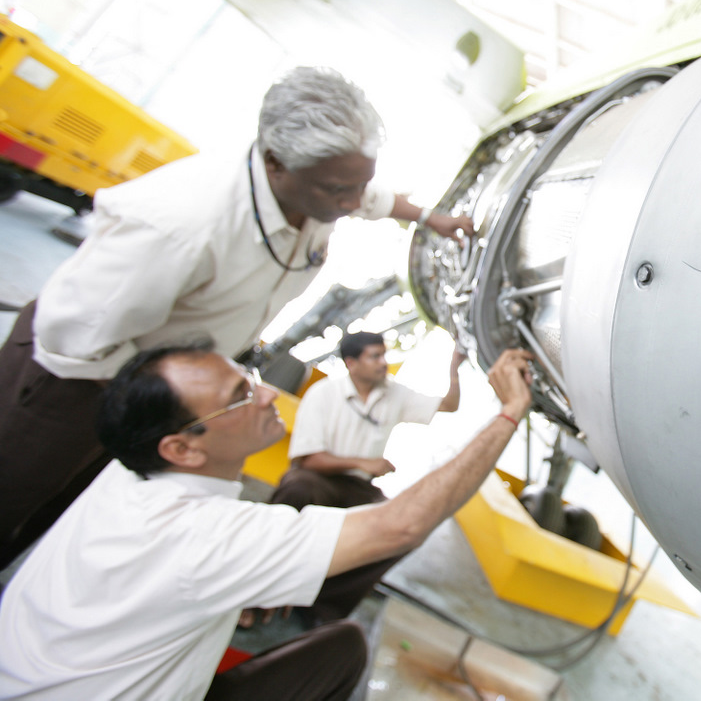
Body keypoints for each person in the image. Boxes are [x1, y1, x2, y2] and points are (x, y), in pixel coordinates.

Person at [0, 66, 474, 569]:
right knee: (16, 490)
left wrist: (429, 218)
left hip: (154, 393)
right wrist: (149, 403)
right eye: (339, 190)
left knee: (63, 510)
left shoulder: (317, 187)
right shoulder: (182, 223)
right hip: (72, 382)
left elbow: (370, 199)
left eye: (360, 184)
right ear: (275, 164)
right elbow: (71, 336)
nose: (352, 202)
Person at [0, 344, 533, 700]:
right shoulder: (204, 536)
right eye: (239, 397)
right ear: (181, 448)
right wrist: (509, 411)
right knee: (343, 645)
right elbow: (401, 525)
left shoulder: (128, 467)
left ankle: (289, 598)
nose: (268, 394)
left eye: (248, 377)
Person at [258, 330, 469, 622]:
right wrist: (365, 462)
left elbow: (449, 405)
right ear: (351, 363)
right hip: (316, 477)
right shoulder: (323, 394)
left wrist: (454, 368)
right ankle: (257, 592)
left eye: (383, 355)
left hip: (358, 488)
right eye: (375, 356)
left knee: (405, 527)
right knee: (297, 489)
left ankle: (322, 608)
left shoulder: (394, 394)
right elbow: (308, 460)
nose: (383, 363)